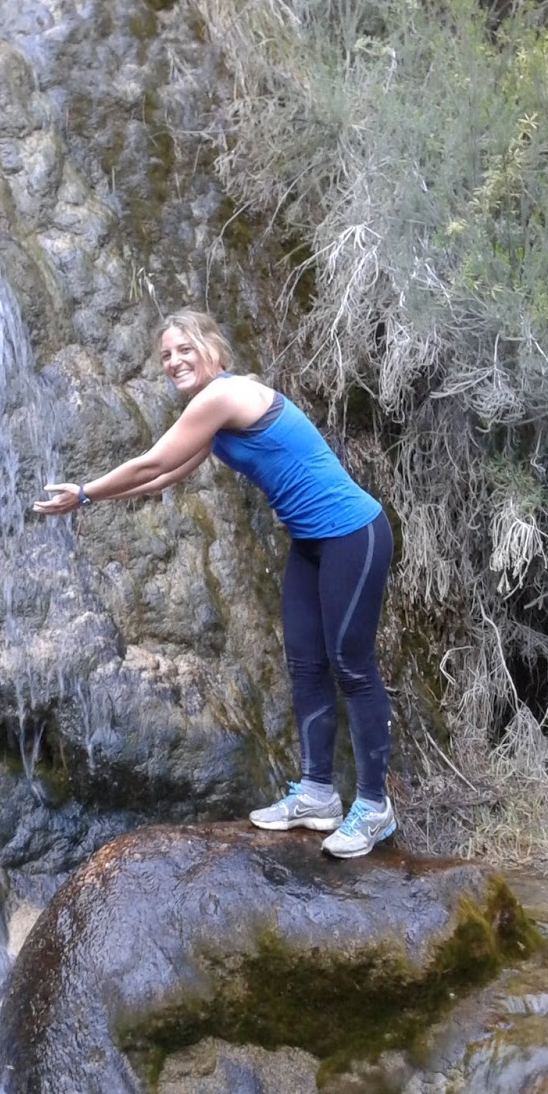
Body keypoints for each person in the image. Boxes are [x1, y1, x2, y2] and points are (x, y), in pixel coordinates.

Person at [33, 309, 395, 859]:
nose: (173, 361)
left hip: (352, 533)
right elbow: (164, 475)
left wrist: (84, 493)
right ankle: (318, 794)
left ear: (212, 348)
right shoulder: (214, 413)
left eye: (183, 349)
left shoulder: (226, 396)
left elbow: (151, 460)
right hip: (311, 543)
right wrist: (92, 499)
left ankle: (373, 807)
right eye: (165, 357)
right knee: (305, 662)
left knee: (351, 665)